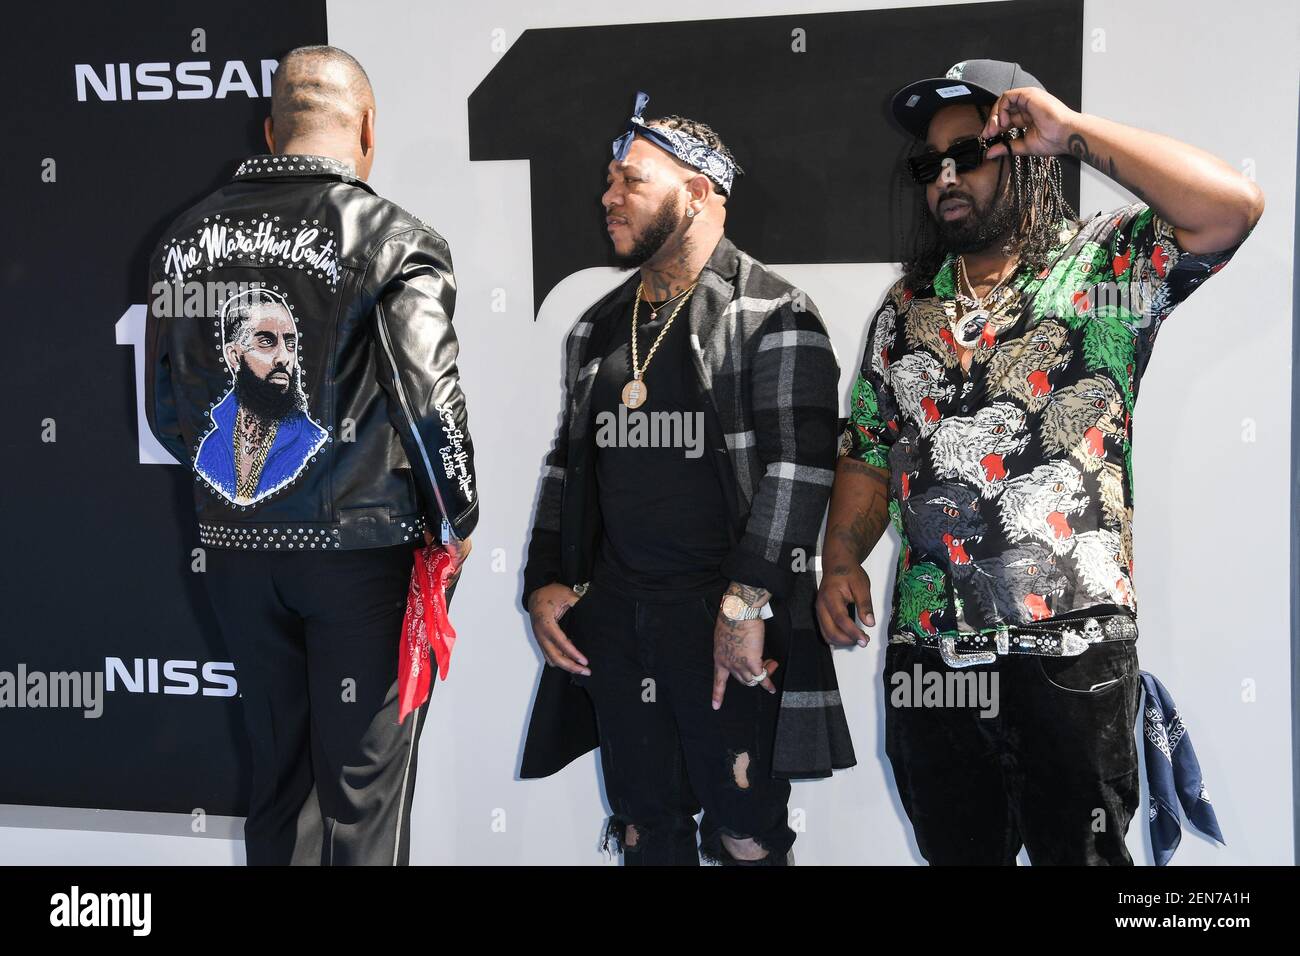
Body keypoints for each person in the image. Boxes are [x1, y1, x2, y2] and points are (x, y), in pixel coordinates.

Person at [818, 59, 1263, 865]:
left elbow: (1232, 209)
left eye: (969, 153)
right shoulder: (905, 308)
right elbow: (869, 448)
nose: (945, 175)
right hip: (934, 656)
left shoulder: (1103, 272)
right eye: (929, 164)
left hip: (1072, 653)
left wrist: (1079, 133)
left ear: (1026, 149)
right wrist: (841, 554)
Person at [145, 45, 477, 865]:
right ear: (365, 129)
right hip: (362, 558)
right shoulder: (397, 238)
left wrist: (237, 500)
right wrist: (459, 517)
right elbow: (430, 402)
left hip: (235, 557)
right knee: (363, 802)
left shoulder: (184, 237)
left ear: (270, 129)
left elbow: (164, 411)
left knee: (281, 789)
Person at [519, 92, 855, 866]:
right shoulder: (597, 327)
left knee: (745, 835)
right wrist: (544, 580)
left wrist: (745, 602)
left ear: (698, 192)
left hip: (725, 619)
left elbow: (799, 473)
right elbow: (569, 466)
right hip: (619, 618)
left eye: (629, 180)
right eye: (609, 181)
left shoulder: (774, 314)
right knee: (643, 831)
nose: (608, 197)